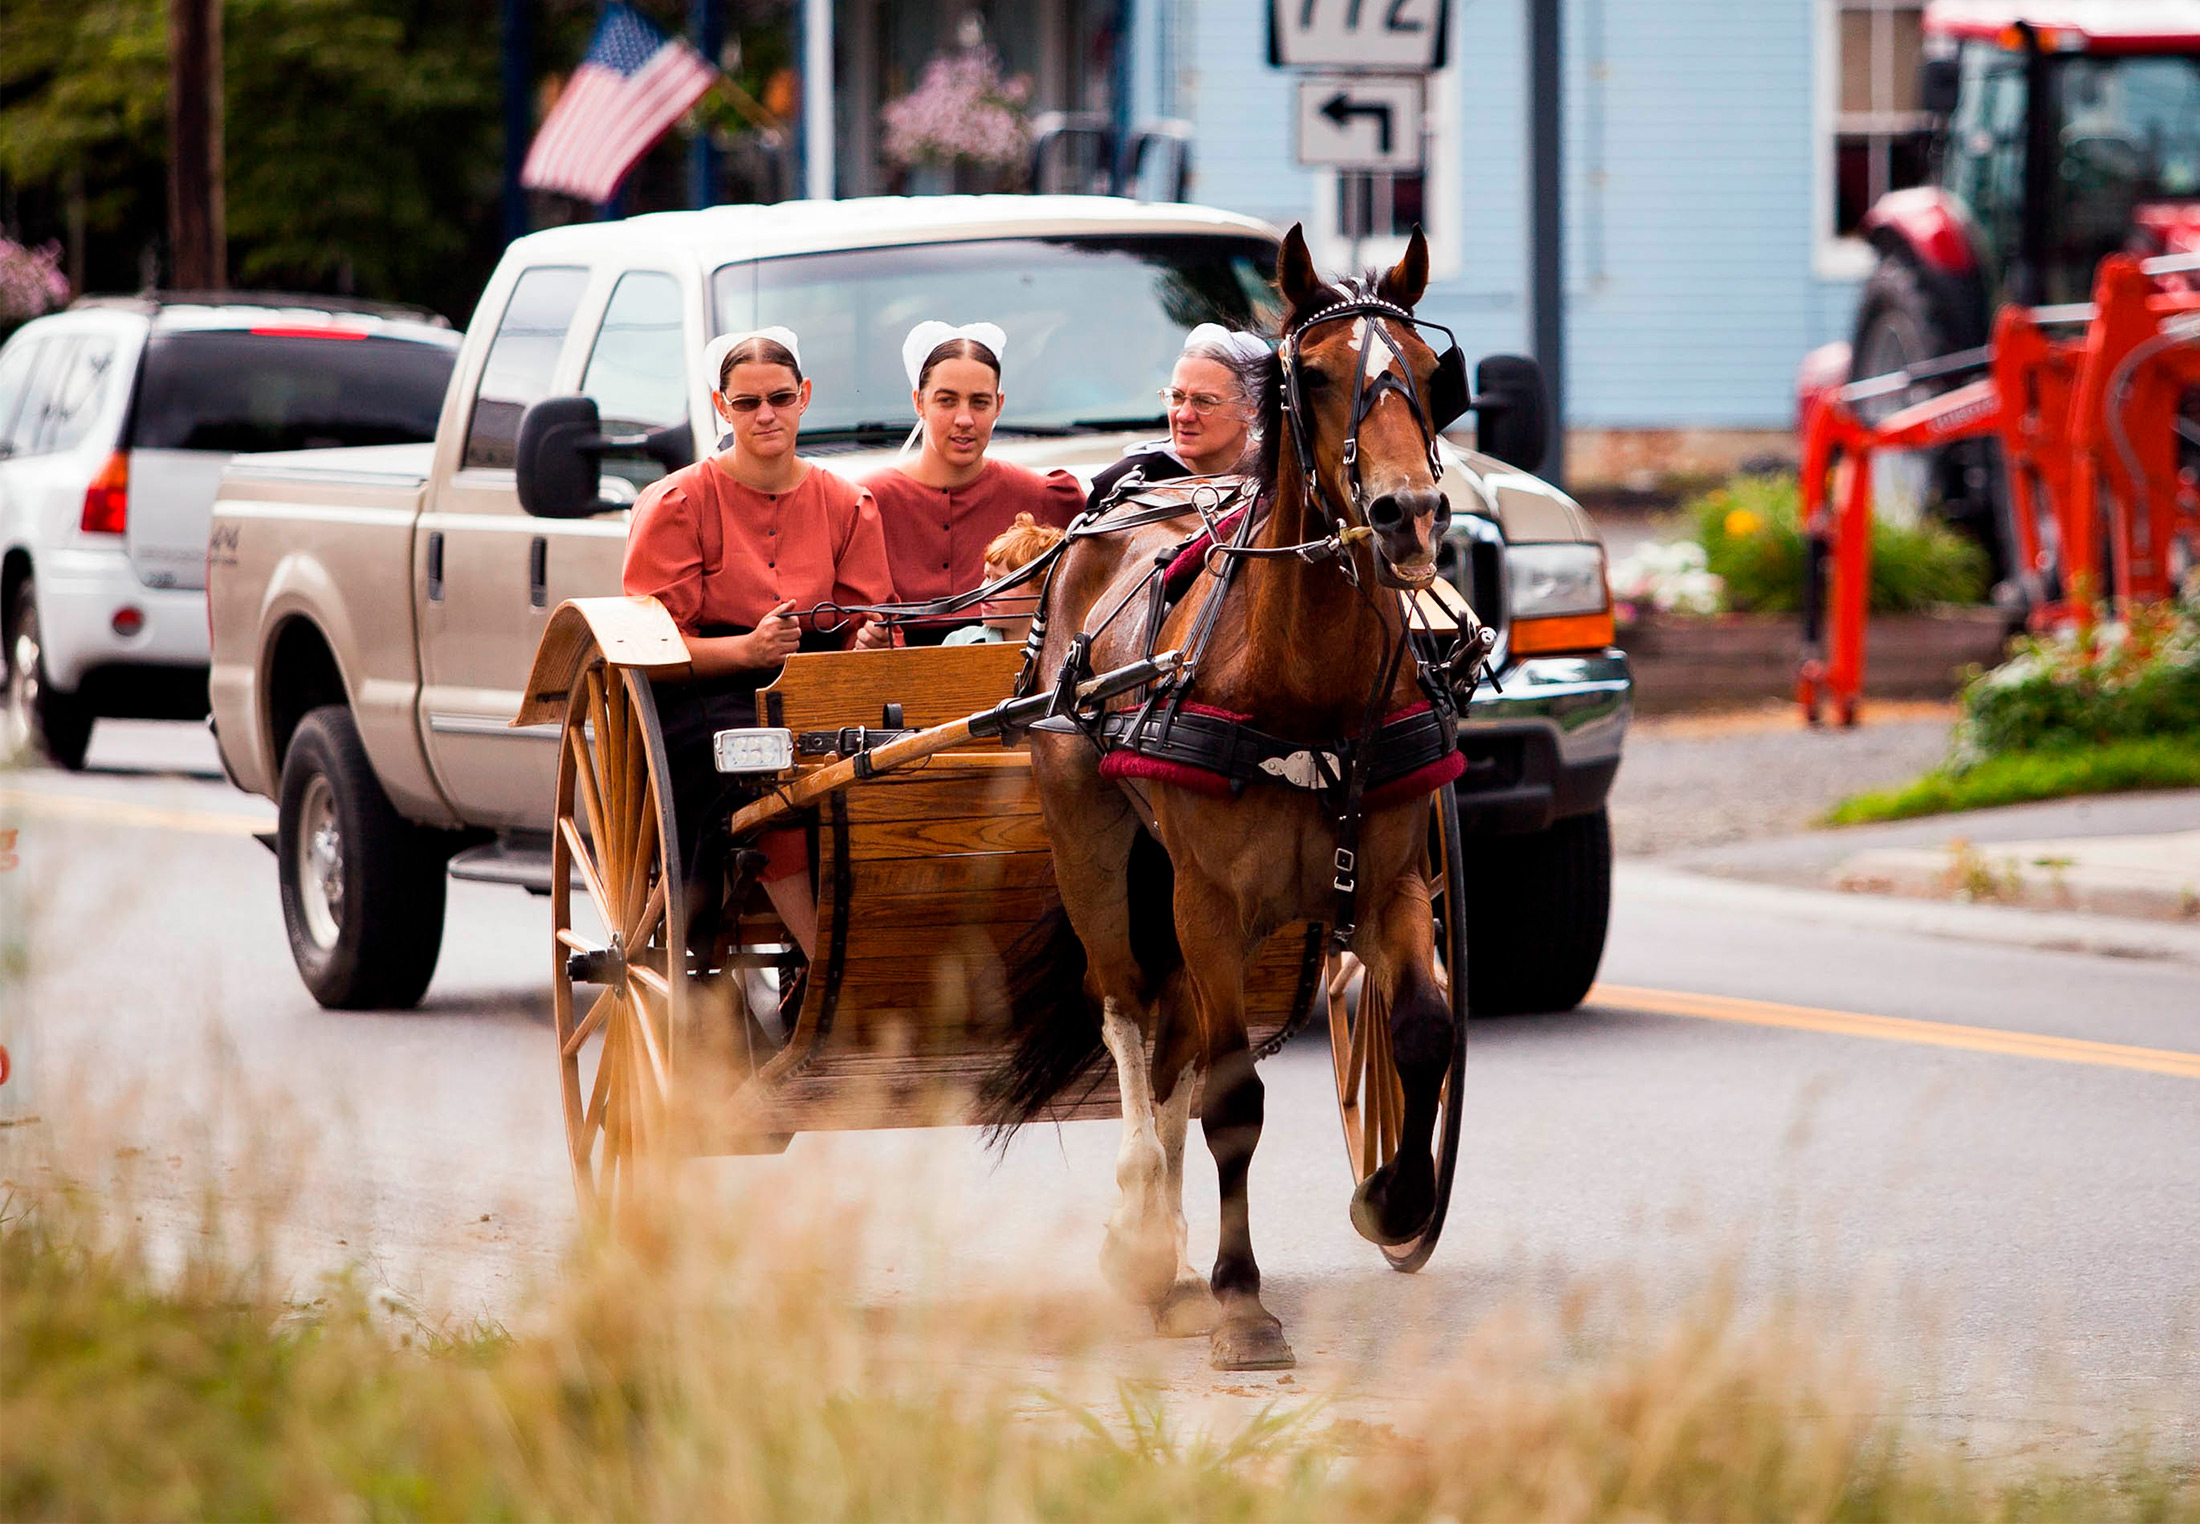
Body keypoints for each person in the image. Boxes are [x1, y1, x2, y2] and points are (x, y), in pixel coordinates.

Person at [622, 325, 893, 960]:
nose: (766, 414)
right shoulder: (679, 502)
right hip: (707, 688)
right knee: (766, 776)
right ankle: (830, 972)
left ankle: (881, 959)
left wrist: (870, 642)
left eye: (779, 397)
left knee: (894, 766)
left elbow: (868, 620)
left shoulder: (848, 503)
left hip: (824, 687)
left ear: (804, 396)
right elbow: (651, 644)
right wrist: (745, 652)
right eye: (747, 403)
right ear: (723, 407)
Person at [863, 320, 1082, 645]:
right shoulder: (868, 502)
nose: (964, 419)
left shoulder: (1045, 498)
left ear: (999, 405)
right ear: (919, 403)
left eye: (979, 402)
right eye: (947, 401)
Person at [1086, 323, 1271, 512]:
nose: (1184, 415)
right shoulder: (1122, 485)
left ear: (1250, 408)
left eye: (1204, 401)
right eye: (1176, 397)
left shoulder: (1280, 477)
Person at [941, 512, 1065, 646]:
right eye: (987, 576)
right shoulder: (959, 642)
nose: (985, 590)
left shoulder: (1066, 648)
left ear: (1043, 591)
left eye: (1002, 582)